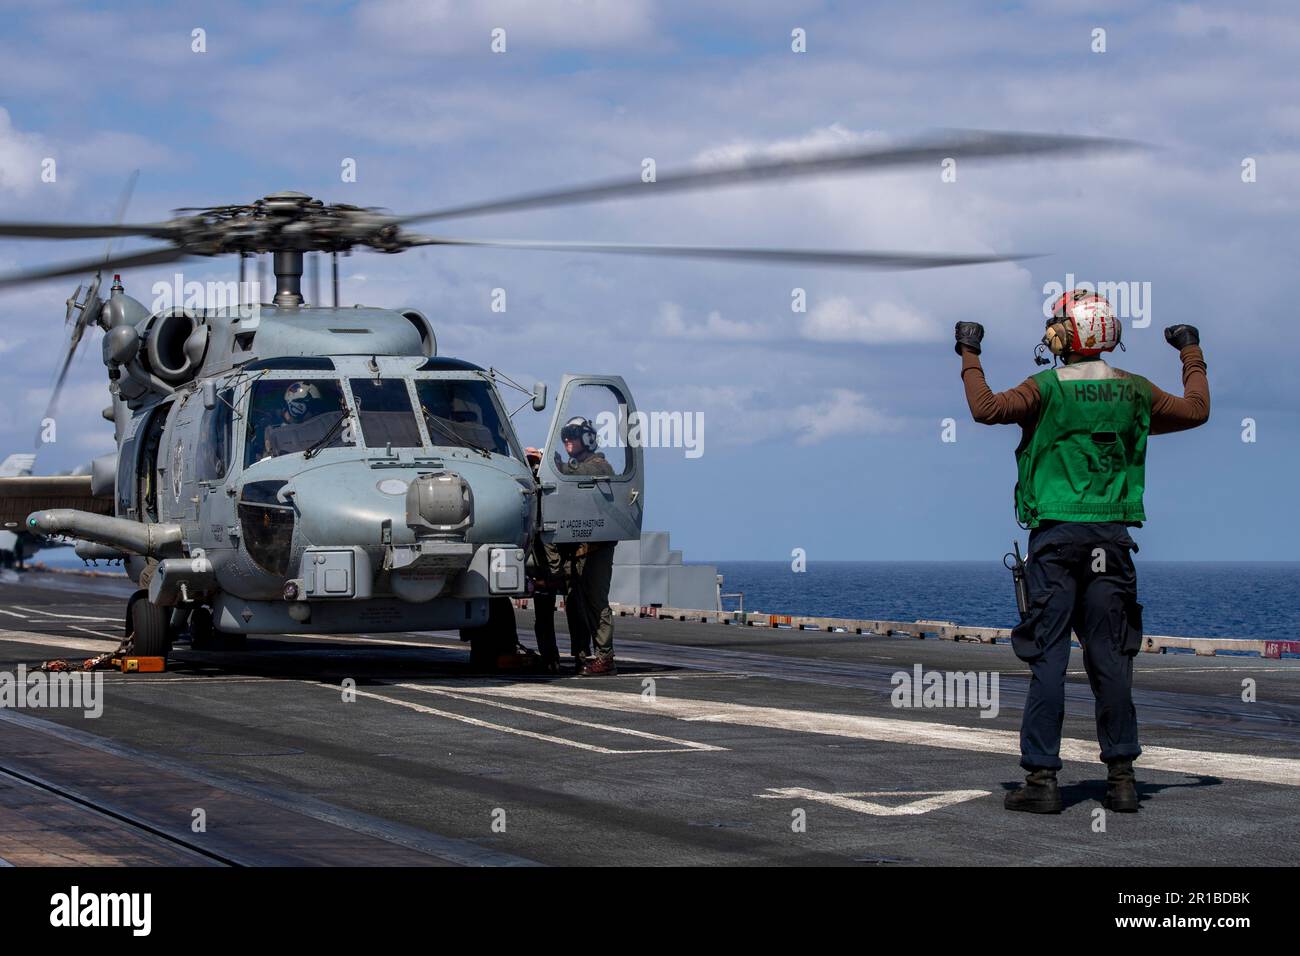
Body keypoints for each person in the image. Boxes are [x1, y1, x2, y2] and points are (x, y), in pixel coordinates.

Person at [955, 289, 1209, 813]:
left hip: (1056, 540)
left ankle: (1043, 781)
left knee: (1048, 659)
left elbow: (984, 409)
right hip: (1112, 542)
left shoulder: (1045, 388)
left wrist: (969, 351)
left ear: (1068, 335)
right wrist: (1189, 350)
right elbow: (1196, 411)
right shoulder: (1133, 391)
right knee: (1110, 658)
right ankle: (1121, 779)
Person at [553, 417, 619, 676]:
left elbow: (575, 474)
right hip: (575, 548)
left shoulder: (599, 465)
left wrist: (552, 464)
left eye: (574, 435)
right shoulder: (573, 469)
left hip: (596, 549)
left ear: (589, 439)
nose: (568, 440)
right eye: (566, 436)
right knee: (574, 603)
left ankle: (605, 657)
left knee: (596, 602)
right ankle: (581, 655)